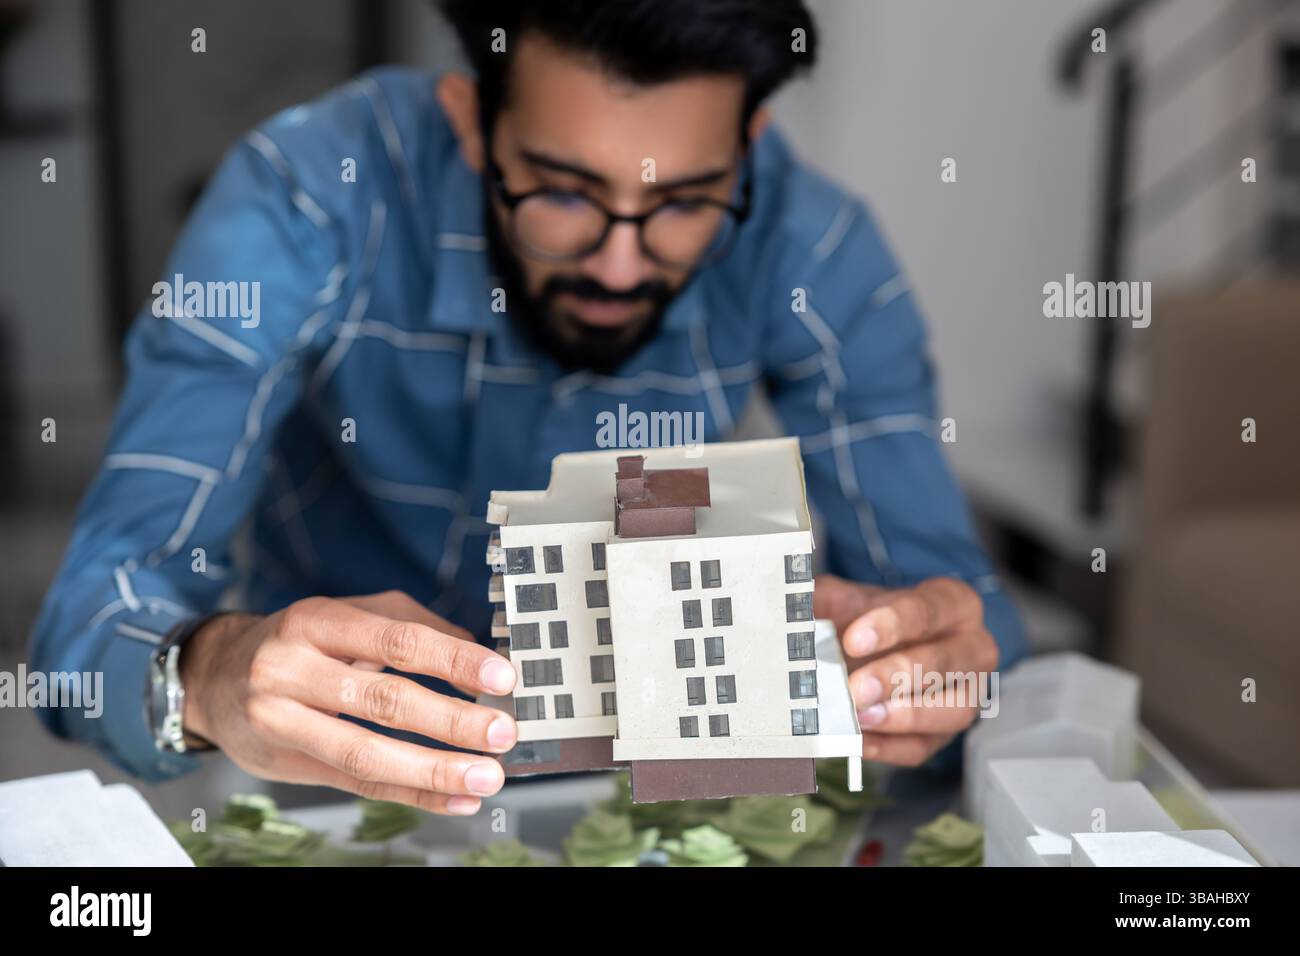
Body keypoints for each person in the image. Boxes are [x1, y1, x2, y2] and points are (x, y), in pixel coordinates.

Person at [32, 0, 1024, 814]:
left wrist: (935, 662)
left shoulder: (815, 241)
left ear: (749, 145)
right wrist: (207, 674)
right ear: (472, 119)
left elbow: (964, 621)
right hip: (325, 771)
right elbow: (89, 618)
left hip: (651, 785)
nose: (621, 263)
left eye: (685, 201)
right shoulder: (307, 194)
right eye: (561, 191)